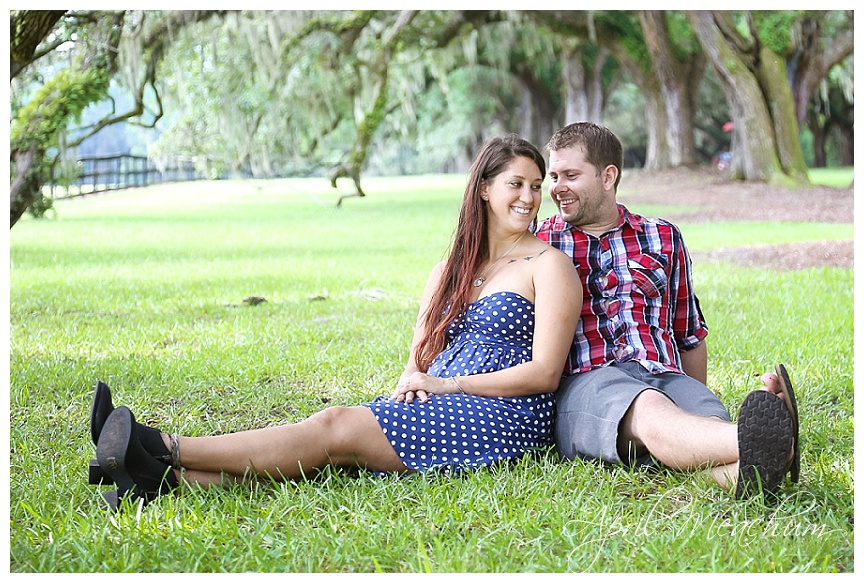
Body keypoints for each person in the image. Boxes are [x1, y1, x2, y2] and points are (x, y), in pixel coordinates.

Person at [88, 134, 583, 510]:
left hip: (505, 414)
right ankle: (152, 480)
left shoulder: (548, 266)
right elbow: (420, 353)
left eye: (536, 186)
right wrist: (412, 384)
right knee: (332, 457)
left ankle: (159, 444)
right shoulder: (449, 270)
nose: (529, 197)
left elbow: (544, 374)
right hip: (438, 397)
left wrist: (446, 384)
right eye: (516, 184)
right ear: (482, 190)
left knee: (334, 425)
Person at [534, 122, 799, 499]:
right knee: (651, 409)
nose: (557, 187)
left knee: (703, 429)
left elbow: (688, 332)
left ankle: (762, 455)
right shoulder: (540, 242)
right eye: (554, 175)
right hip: (591, 383)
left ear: (608, 176)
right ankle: (765, 434)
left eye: (570, 175)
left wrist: (695, 399)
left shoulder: (662, 236)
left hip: (666, 374)